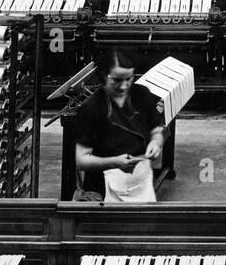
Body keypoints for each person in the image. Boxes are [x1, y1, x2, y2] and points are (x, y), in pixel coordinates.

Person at [71, 46, 167, 203]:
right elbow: (82, 160)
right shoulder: (92, 108)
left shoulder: (141, 95)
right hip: (104, 184)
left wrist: (156, 143)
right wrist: (115, 162)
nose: (124, 86)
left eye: (129, 79)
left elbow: (157, 129)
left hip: (141, 181)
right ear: (104, 75)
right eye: (116, 80)